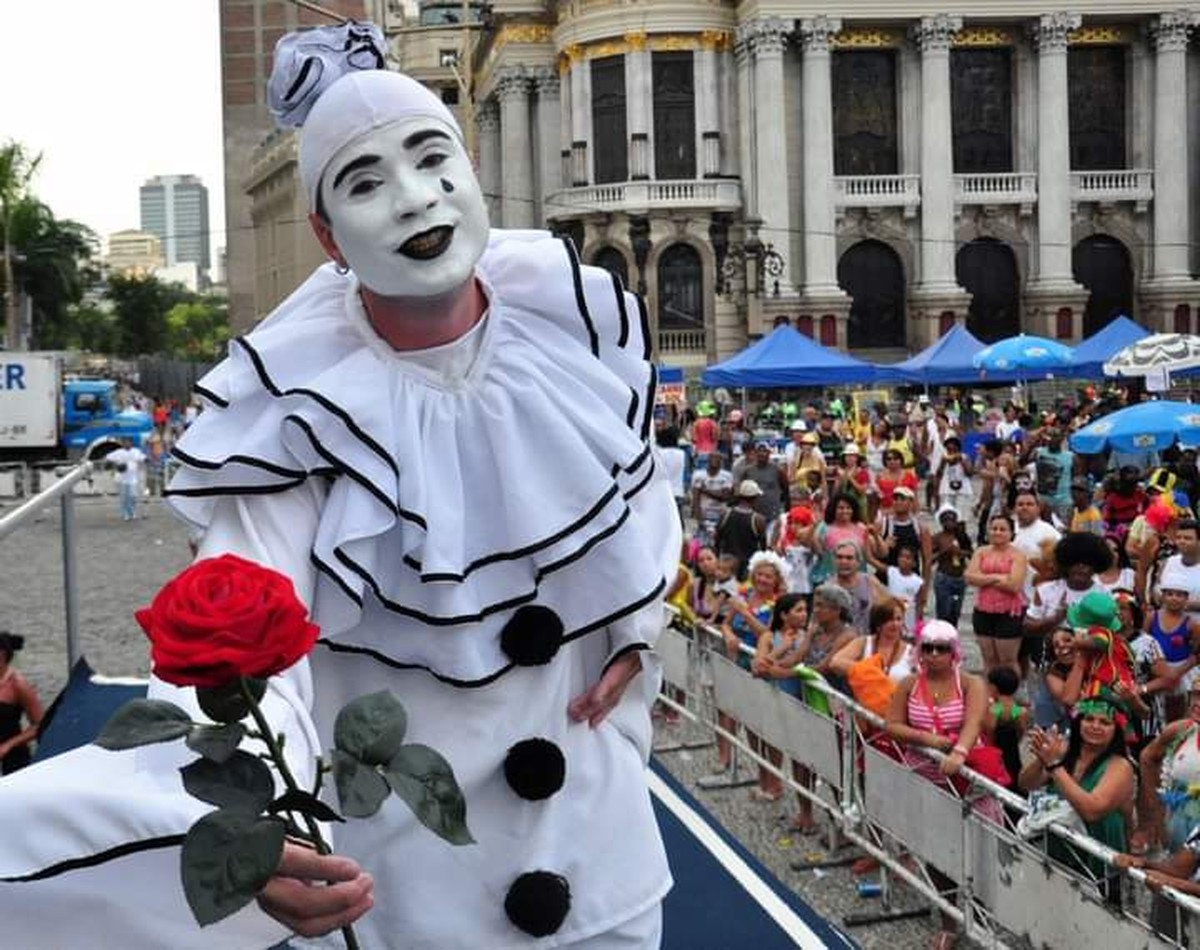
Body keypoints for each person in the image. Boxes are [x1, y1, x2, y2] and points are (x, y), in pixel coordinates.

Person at [0, 31, 680, 949]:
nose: (413, 198)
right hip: (413, 879)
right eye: (363, 184)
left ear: (472, 172)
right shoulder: (292, 410)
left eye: (434, 159)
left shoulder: (574, 331)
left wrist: (642, 622)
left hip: (599, 846)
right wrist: (249, 830)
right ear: (325, 235)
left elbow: (641, 494)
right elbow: (243, 639)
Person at [1020, 699, 1135, 898]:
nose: (1095, 726)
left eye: (1105, 722)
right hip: (1057, 853)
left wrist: (1054, 765)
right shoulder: (1065, 752)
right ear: (1078, 722)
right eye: (1089, 719)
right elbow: (1026, 784)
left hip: (1097, 862)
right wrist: (1041, 758)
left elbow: (1092, 810)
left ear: (1116, 729)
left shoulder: (1120, 766)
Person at [965, 514, 1028, 679]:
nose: (997, 532)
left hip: (1009, 612)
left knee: (1007, 660)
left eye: (1002, 529)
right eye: (994, 529)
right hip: (983, 610)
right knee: (989, 660)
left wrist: (983, 578)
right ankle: (990, 695)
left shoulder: (1018, 555)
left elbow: (1014, 585)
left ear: (1011, 533)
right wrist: (997, 577)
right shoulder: (981, 551)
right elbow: (970, 577)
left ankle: (1009, 697)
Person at [0, 632, 42, 775]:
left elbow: (39, 726)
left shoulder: (18, 685)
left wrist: (8, 745)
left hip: (13, 757)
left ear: (3, 655)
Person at [716, 480, 768, 578]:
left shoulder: (725, 514)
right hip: (747, 566)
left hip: (727, 565)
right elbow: (763, 548)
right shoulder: (759, 520)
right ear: (754, 498)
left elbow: (717, 539)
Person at [931, 505, 972, 626]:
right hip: (944, 578)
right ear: (941, 522)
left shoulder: (962, 536)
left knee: (955, 613)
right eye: (946, 520)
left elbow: (972, 554)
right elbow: (930, 560)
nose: (950, 523)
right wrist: (945, 551)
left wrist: (961, 553)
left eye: (952, 519)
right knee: (944, 613)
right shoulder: (937, 538)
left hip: (960, 579)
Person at [690, 452, 733, 547]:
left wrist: (704, 490)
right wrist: (699, 519)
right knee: (701, 545)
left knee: (719, 544)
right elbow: (696, 499)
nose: (715, 461)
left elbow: (725, 497)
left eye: (718, 459)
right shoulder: (698, 475)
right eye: (713, 458)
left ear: (721, 461)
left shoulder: (727, 476)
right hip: (703, 515)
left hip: (720, 515)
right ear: (708, 460)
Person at [104, 436, 147, 522]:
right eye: (125, 442)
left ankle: (133, 512)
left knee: (133, 496)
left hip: (132, 479)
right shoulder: (118, 452)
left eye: (128, 442)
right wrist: (115, 466)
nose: (126, 444)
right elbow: (107, 459)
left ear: (131, 443)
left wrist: (149, 460)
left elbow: (143, 458)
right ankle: (126, 514)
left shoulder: (136, 451)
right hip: (121, 479)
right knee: (124, 498)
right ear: (122, 443)